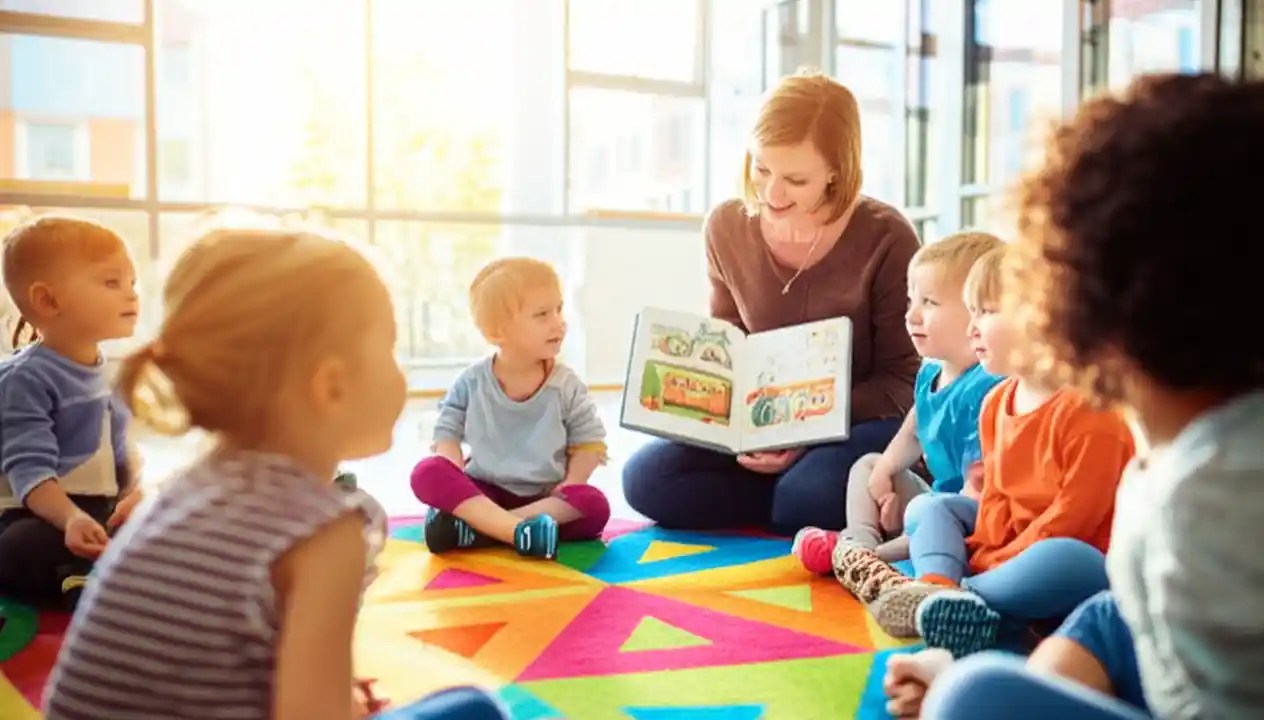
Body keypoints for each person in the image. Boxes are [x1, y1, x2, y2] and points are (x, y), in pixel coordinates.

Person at [895, 73, 1264, 720]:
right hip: (1157, 636)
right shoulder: (1209, 437)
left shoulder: (1221, 499)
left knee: (972, 700)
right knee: (1097, 620)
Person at [42, 227, 504, 719]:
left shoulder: (181, 491)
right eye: (390, 349)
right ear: (331, 386)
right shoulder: (322, 534)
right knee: (473, 709)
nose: (401, 374)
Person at [621, 70, 922, 534]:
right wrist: (740, 427)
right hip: (765, 422)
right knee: (645, 479)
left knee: (807, 494)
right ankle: (797, 501)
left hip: (856, 419)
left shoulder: (887, 237)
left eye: (796, 179)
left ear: (836, 171)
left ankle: (802, 496)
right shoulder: (726, 226)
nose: (771, 193)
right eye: (761, 169)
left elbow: (902, 381)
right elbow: (730, 346)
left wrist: (802, 428)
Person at [834, 245, 1133, 659]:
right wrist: (986, 544)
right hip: (1010, 547)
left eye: (987, 312)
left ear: (1044, 321)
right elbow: (996, 498)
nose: (973, 328)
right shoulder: (999, 402)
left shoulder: (1092, 411)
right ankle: (937, 590)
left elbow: (1073, 519)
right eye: (971, 312)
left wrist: (989, 559)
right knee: (932, 511)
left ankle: (965, 597)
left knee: (1061, 556)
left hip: (1072, 555)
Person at [793, 231, 1003, 572]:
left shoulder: (988, 387)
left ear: (976, 311)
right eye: (911, 301)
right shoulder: (930, 372)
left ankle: (869, 558)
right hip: (936, 499)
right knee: (868, 466)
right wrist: (887, 470)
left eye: (929, 303)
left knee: (934, 517)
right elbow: (913, 432)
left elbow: (977, 494)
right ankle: (859, 540)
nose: (911, 315)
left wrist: (901, 541)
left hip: (973, 514)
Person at [410, 257, 609, 560]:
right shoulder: (472, 381)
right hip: (482, 489)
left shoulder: (566, 385)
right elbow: (446, 433)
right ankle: (516, 532)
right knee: (427, 472)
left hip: (543, 498)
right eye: (542, 314)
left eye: (558, 309)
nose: (559, 322)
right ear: (497, 333)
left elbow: (589, 443)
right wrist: (456, 477)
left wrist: (570, 484)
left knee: (594, 505)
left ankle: (479, 528)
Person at [0, 216, 143, 611]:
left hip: (97, 509)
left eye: (132, 282)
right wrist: (71, 520)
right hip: (40, 510)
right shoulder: (25, 380)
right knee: (19, 548)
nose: (132, 295)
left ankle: (87, 572)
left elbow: (119, 457)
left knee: (170, 521)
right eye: (112, 282)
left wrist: (134, 495)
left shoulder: (107, 370)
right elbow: (29, 472)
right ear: (48, 300)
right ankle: (81, 577)